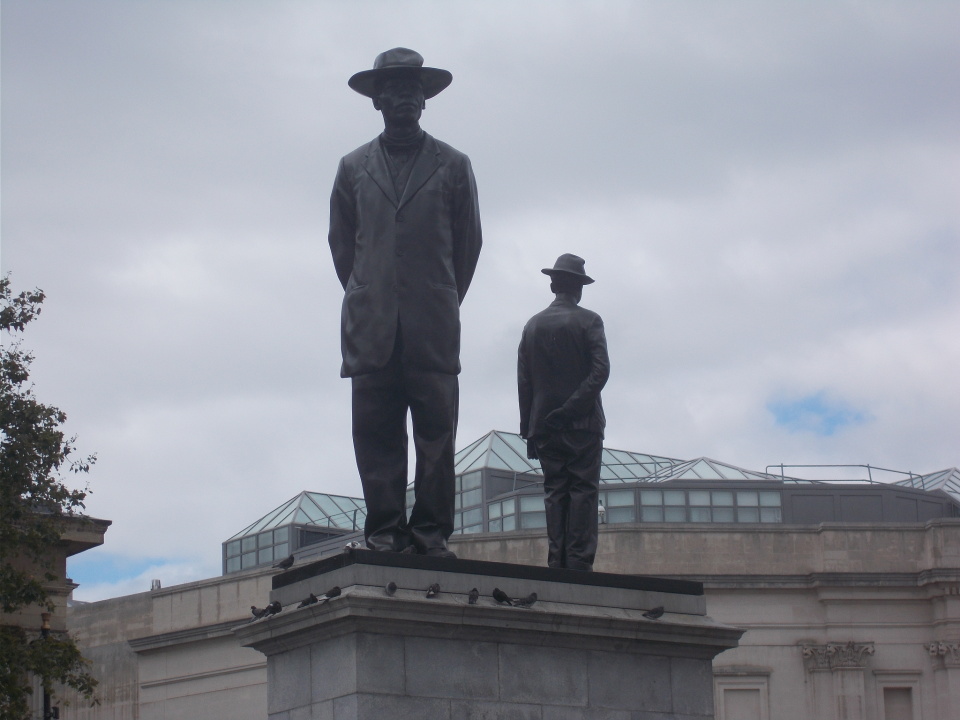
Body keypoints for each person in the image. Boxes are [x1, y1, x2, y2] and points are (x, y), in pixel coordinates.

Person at [328, 48, 482, 558]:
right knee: (376, 437)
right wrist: (368, 292)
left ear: (425, 99)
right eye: (392, 90)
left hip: (432, 324)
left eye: (412, 89)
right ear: (377, 101)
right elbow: (341, 244)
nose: (403, 98)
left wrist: (438, 295)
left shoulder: (455, 165)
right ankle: (385, 531)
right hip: (370, 327)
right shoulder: (352, 167)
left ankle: (431, 533)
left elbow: (469, 244)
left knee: (436, 436)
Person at [518, 254, 609, 571]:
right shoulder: (590, 321)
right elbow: (600, 373)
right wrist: (570, 410)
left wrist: (528, 429)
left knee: (555, 492)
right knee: (583, 489)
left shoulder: (532, 325)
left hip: (543, 426)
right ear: (578, 288)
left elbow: (524, 382)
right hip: (582, 424)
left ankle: (557, 561)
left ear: (554, 284)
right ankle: (580, 562)